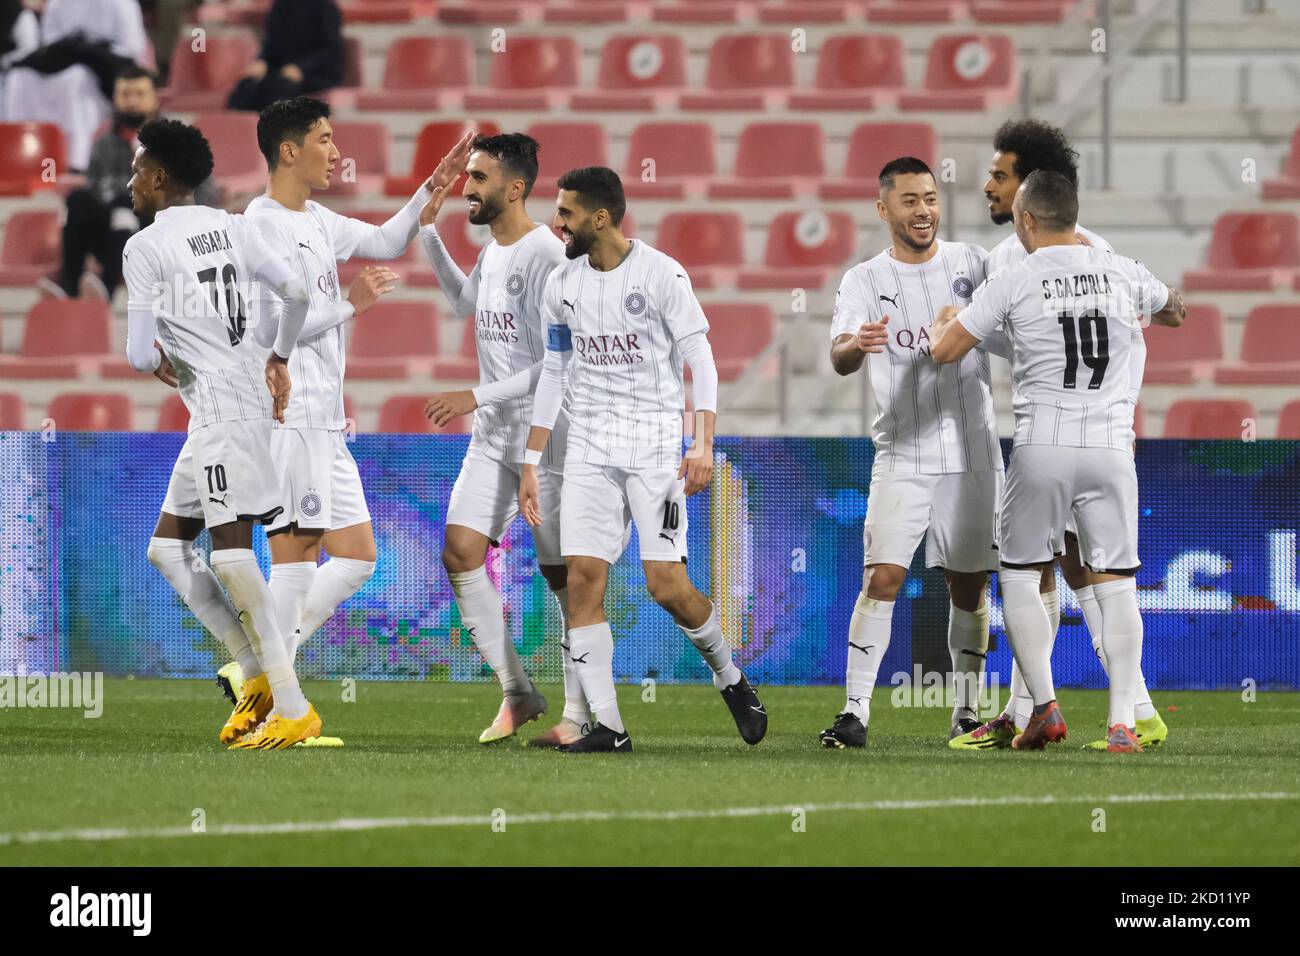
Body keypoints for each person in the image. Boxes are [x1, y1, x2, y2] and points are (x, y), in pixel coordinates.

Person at [930, 170, 1186, 753]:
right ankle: (1123, 723)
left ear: (1026, 220)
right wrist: (1162, 304)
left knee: (1019, 572)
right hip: (1110, 448)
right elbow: (1175, 311)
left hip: (1044, 445)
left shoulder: (1018, 277)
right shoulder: (1121, 269)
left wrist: (944, 323)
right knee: (1117, 584)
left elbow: (947, 351)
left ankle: (1042, 708)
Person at [518, 166, 768, 753]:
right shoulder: (562, 285)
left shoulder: (661, 274)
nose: (557, 223)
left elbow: (700, 360)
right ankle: (608, 726)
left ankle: (730, 677)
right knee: (582, 580)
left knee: (667, 585)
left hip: (655, 449)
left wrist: (701, 442)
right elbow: (555, 370)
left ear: (599, 217)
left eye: (567, 213)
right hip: (588, 449)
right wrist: (532, 459)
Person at [213, 96, 428, 702]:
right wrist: (351, 304)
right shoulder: (260, 225)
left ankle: (257, 668)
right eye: (325, 140)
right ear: (289, 150)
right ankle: (277, 696)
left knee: (356, 555)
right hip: (290, 413)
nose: (336, 152)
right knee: (297, 557)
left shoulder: (315, 218)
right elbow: (271, 327)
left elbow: (387, 240)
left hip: (326, 418)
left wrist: (428, 191)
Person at [123, 117, 321, 750]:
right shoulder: (234, 226)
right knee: (166, 550)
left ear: (158, 177)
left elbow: (134, 355)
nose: (130, 182)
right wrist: (279, 356)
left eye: (135, 171)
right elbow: (295, 291)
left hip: (220, 414)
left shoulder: (144, 246)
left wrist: (165, 361)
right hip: (235, 406)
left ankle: (292, 705)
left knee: (232, 555)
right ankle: (257, 673)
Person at [819, 157, 1001, 749]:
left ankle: (968, 713)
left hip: (972, 451)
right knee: (884, 576)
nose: (923, 210)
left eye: (930, 198)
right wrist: (856, 343)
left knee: (969, 587)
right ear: (883, 209)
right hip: (900, 450)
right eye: (910, 201)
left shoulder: (972, 264)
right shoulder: (863, 279)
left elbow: (1011, 323)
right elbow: (841, 354)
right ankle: (854, 713)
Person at [419, 131, 590, 746]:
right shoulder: (494, 251)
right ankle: (518, 690)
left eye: (479, 178)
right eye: (468, 176)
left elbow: (556, 364)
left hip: (547, 444)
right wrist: (428, 232)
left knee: (565, 579)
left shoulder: (548, 255)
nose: (467, 186)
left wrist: (475, 395)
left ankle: (581, 713)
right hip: (492, 438)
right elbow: (466, 303)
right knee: (461, 552)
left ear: (515, 188)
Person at [3, 0, 147, 170]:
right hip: (65, 61)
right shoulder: (58, 3)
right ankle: (16, 152)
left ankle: (78, 160)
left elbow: (132, 50)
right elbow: (50, 42)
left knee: (78, 77)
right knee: (19, 76)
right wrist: (74, 46)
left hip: (103, 69)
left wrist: (91, 49)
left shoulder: (122, 4)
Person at [227, 0, 343, 113]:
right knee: (246, 88)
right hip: (281, 71)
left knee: (280, 91)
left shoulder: (325, 5)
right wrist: (261, 61)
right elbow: (271, 43)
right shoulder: (281, 4)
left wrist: (301, 68)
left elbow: (330, 50)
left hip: (316, 75)